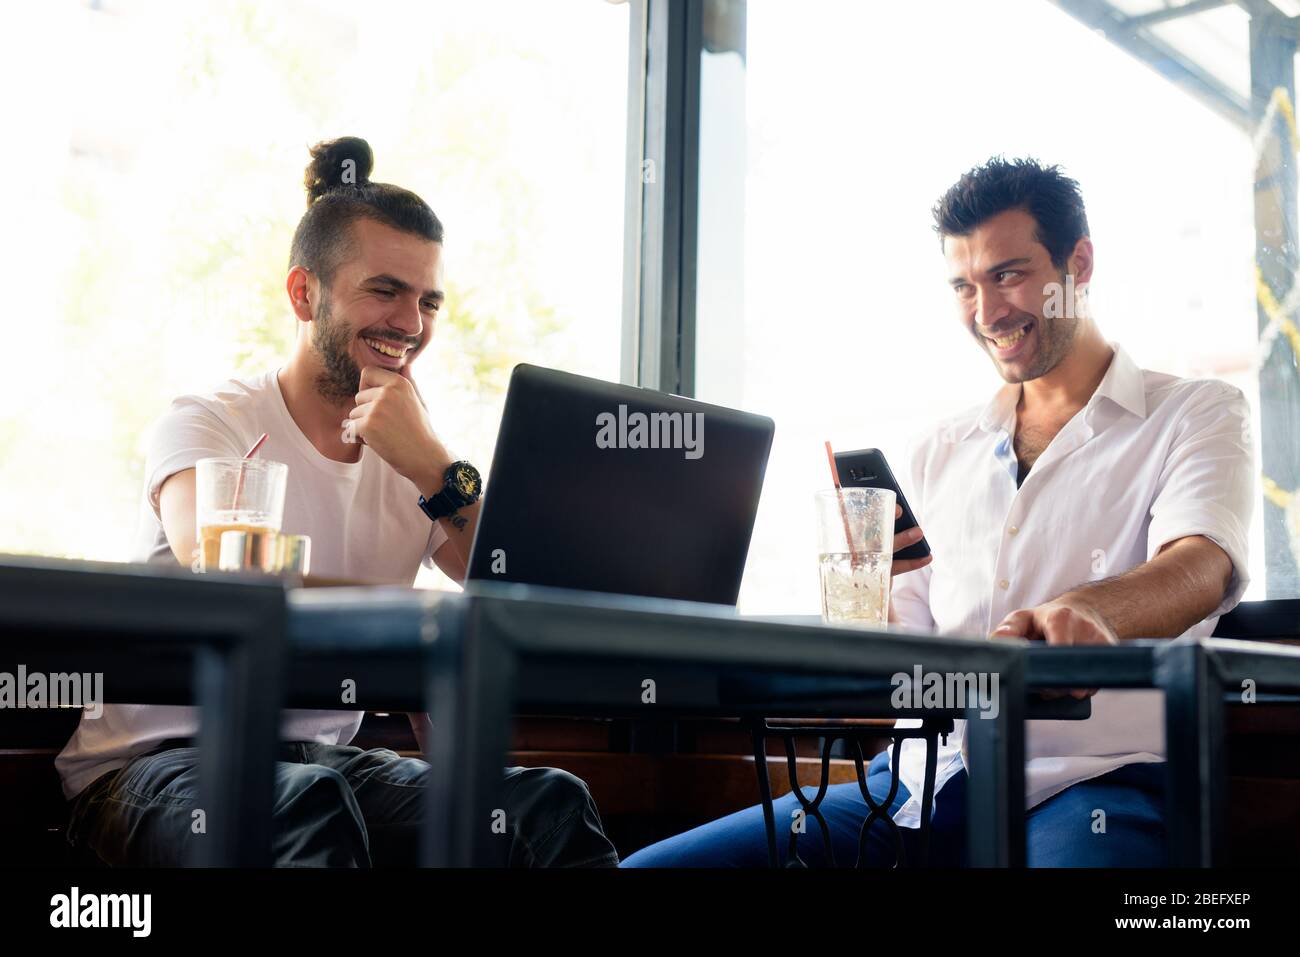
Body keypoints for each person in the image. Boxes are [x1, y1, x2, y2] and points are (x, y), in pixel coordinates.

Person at [622, 157, 1253, 868]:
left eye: (1008, 274)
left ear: (1078, 263)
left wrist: (1093, 611)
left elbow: (1201, 563)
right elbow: (904, 646)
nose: (987, 313)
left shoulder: (1195, 412)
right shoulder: (938, 451)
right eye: (964, 286)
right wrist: (858, 626)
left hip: (1093, 784)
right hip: (918, 785)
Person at [58, 136, 619, 868]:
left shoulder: (414, 455)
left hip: (317, 765)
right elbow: (221, 572)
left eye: (428, 302)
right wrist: (413, 617)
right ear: (304, 294)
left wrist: (433, 465)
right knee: (308, 804)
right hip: (155, 764)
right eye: (385, 291)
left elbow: (522, 582)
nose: (411, 323)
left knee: (547, 804)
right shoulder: (209, 422)